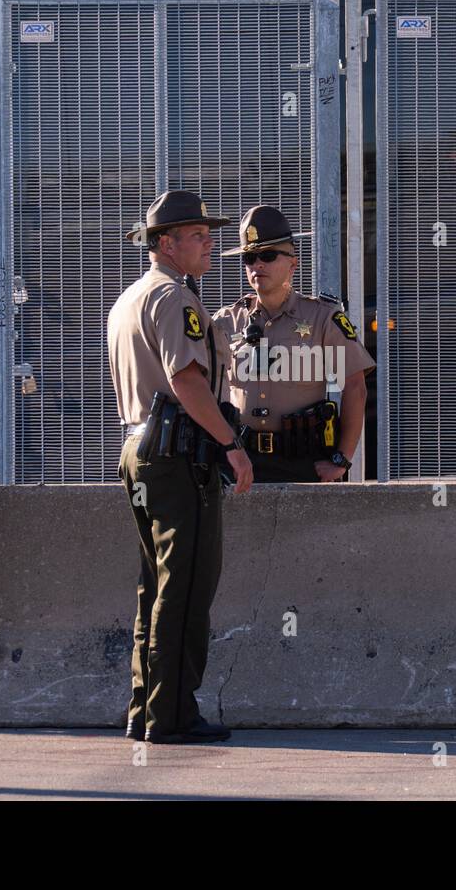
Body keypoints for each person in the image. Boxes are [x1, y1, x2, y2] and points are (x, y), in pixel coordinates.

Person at [108, 190, 253, 745]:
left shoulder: (132, 297)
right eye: (197, 235)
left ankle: (146, 707)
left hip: (141, 449)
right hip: (176, 455)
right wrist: (229, 445)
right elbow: (186, 380)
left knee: (157, 585)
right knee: (188, 583)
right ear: (166, 244)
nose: (210, 242)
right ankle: (171, 715)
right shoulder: (174, 299)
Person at [211, 205, 375, 483]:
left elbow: (355, 387)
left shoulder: (323, 317)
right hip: (241, 461)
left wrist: (341, 459)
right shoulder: (227, 321)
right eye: (249, 258)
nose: (257, 265)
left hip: (302, 461)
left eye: (268, 255)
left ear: (293, 263)